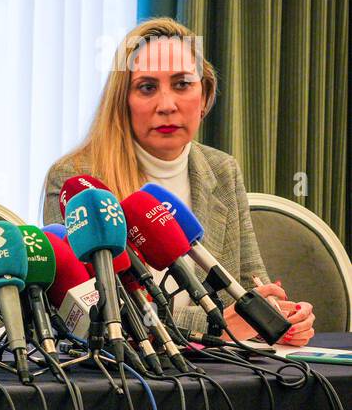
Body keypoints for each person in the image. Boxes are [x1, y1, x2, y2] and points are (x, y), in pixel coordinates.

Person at [42, 17, 315, 344]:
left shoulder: (222, 169)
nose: (167, 105)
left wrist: (278, 313)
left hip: (216, 370)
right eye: (147, 87)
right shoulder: (75, 179)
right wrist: (219, 323)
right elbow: (87, 313)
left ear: (204, 96)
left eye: (183, 84)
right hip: (123, 378)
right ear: (123, 101)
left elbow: (248, 283)